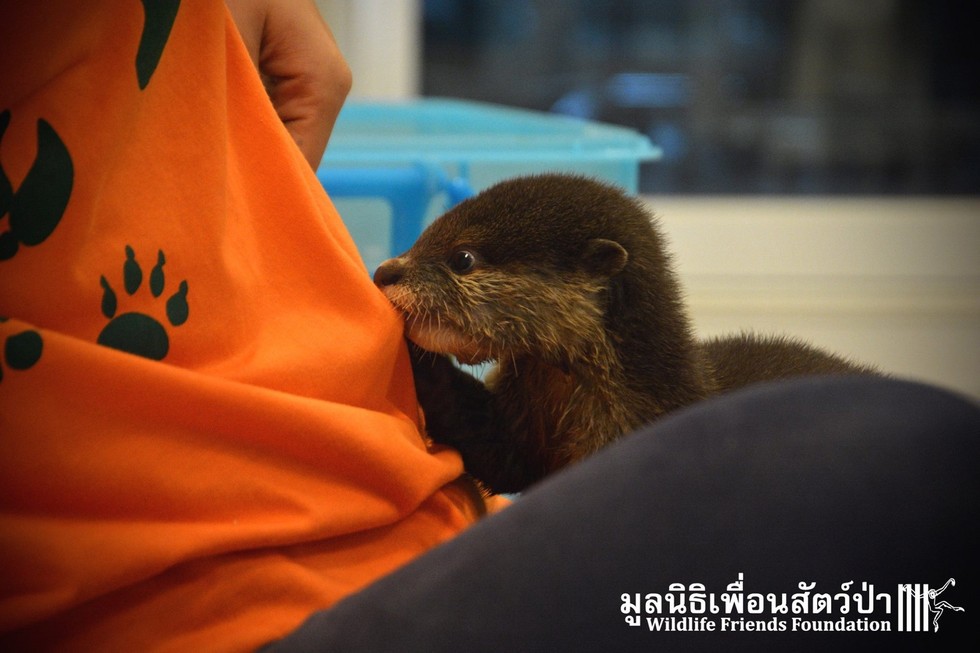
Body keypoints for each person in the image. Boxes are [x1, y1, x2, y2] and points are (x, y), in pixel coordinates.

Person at [1, 2, 977, 652]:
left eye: (462, 267)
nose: (391, 275)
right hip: (257, 612)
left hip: (431, 544)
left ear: (596, 281)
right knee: (914, 460)